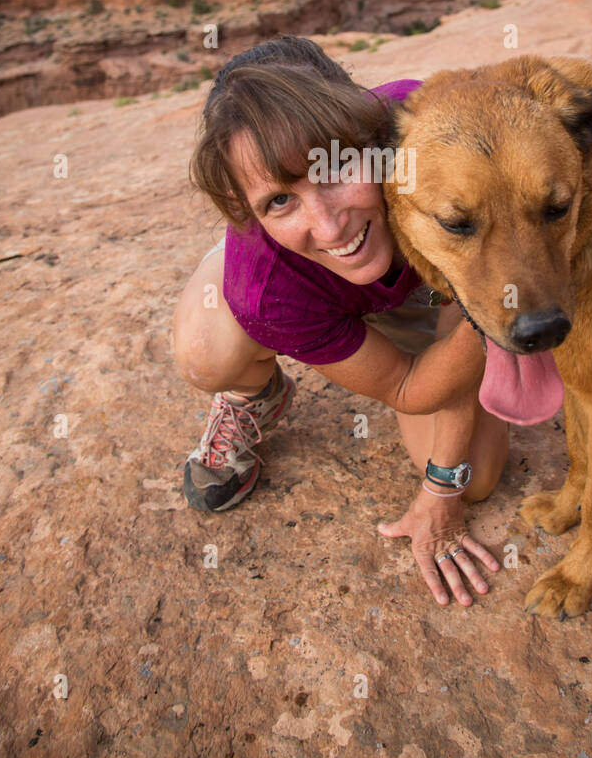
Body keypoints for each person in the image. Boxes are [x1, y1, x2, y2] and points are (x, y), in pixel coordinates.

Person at [172, 35, 509, 607]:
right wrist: (498, 317)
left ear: (373, 137)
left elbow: (462, 323)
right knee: (207, 350)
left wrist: (441, 487)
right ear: (246, 210)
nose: (328, 226)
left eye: (335, 170)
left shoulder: (422, 127)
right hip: (309, 288)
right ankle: (251, 387)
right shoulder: (268, 287)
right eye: (279, 200)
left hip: (423, 291)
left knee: (474, 478)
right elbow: (404, 384)